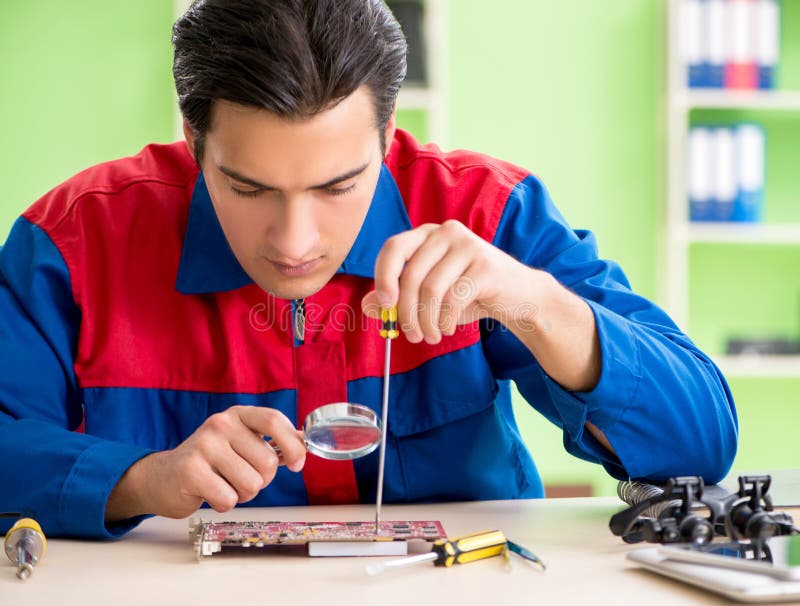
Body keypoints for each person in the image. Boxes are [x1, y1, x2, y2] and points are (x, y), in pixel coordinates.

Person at [0, 0, 737, 539]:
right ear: (194, 140)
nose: (295, 241)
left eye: (337, 186)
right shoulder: (74, 241)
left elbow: (701, 444)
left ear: (387, 135)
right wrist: (141, 479)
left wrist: (536, 304)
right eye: (249, 188)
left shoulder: (486, 211)